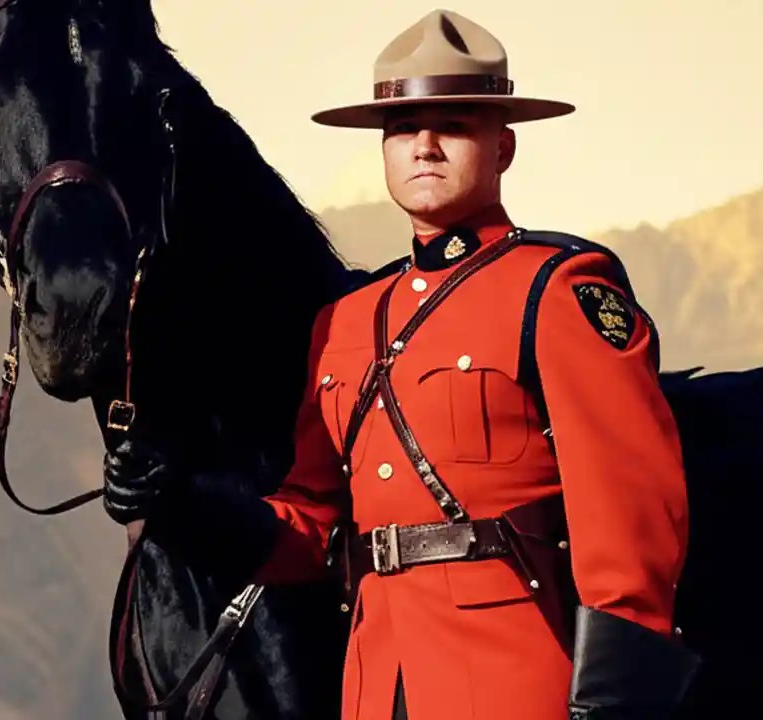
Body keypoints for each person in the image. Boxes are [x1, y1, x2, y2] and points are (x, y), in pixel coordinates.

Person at [102, 9, 699, 720]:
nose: (424, 146)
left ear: (502, 147)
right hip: (376, 686)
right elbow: (308, 530)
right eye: (402, 128)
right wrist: (181, 506)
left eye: (453, 124)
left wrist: (616, 705)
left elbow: (631, 519)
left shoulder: (558, 290)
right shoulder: (348, 320)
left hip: (514, 682)